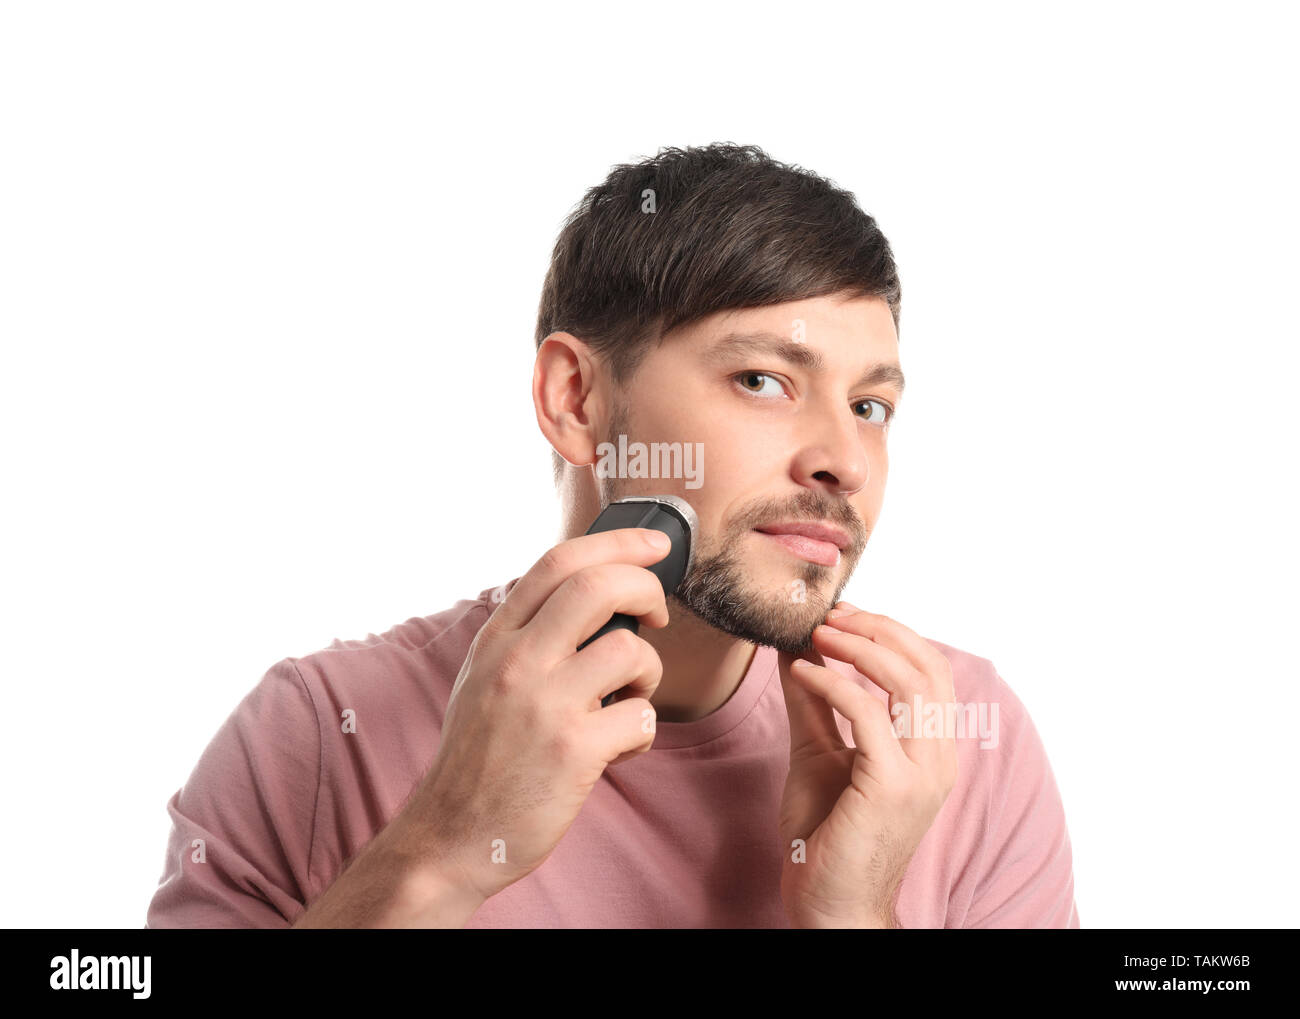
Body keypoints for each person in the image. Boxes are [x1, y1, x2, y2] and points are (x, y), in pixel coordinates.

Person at [146, 142, 1079, 928]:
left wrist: (851, 919)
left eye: (871, 404)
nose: (846, 460)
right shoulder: (315, 736)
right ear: (577, 400)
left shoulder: (956, 742)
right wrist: (445, 850)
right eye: (763, 380)